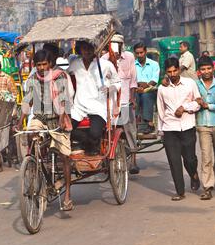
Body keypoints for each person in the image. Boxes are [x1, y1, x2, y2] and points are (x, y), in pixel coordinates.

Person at [18, 49, 73, 211]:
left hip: (58, 118)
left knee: (65, 156)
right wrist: (20, 120)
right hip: (40, 118)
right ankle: (35, 166)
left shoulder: (60, 76)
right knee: (31, 134)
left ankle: (68, 194)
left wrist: (63, 116)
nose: (41, 68)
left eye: (44, 64)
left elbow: (64, 98)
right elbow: (28, 100)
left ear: (50, 63)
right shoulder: (33, 78)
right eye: (38, 65)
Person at [157, 57, 201, 201]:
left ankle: (194, 175)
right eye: (169, 72)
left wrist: (185, 107)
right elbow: (160, 110)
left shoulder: (190, 83)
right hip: (170, 128)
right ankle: (180, 192)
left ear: (179, 69)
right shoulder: (162, 88)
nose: (173, 74)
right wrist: (161, 130)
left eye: (175, 70)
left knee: (190, 159)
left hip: (187, 126)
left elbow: (198, 102)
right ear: (166, 72)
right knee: (174, 161)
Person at [68, 41, 121, 156]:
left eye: (89, 48)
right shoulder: (75, 64)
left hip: (98, 107)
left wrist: (111, 88)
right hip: (78, 106)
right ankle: (86, 144)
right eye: (84, 48)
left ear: (95, 48)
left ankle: (90, 145)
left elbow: (117, 82)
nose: (87, 51)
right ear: (80, 50)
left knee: (95, 133)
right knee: (66, 130)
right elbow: (65, 76)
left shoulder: (105, 64)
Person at [103, 34, 139, 174]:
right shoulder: (103, 60)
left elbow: (133, 80)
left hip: (125, 101)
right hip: (109, 103)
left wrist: (133, 98)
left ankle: (133, 160)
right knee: (108, 131)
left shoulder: (129, 57)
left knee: (130, 130)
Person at [195, 57, 215, 200]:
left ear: (213, 69)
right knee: (206, 157)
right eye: (203, 69)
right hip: (202, 126)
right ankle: (208, 187)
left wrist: (209, 106)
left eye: (208, 69)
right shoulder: (195, 85)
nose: (206, 71)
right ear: (199, 71)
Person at [134, 42, 160, 134]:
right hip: (135, 89)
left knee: (146, 96)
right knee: (134, 97)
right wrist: (138, 85)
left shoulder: (154, 64)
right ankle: (134, 122)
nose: (139, 55)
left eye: (141, 53)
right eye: (137, 53)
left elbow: (154, 80)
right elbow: (131, 79)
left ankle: (149, 123)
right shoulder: (132, 65)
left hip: (150, 89)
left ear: (145, 52)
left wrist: (145, 85)